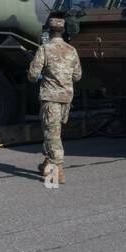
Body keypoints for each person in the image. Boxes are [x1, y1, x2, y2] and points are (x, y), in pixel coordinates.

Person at [27, 13, 82, 184]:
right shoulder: (72, 50)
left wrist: (43, 76)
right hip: (66, 98)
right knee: (53, 132)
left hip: (50, 97)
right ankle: (47, 162)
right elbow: (78, 76)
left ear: (49, 32)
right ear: (63, 31)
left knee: (52, 134)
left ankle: (56, 170)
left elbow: (32, 75)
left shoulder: (44, 49)